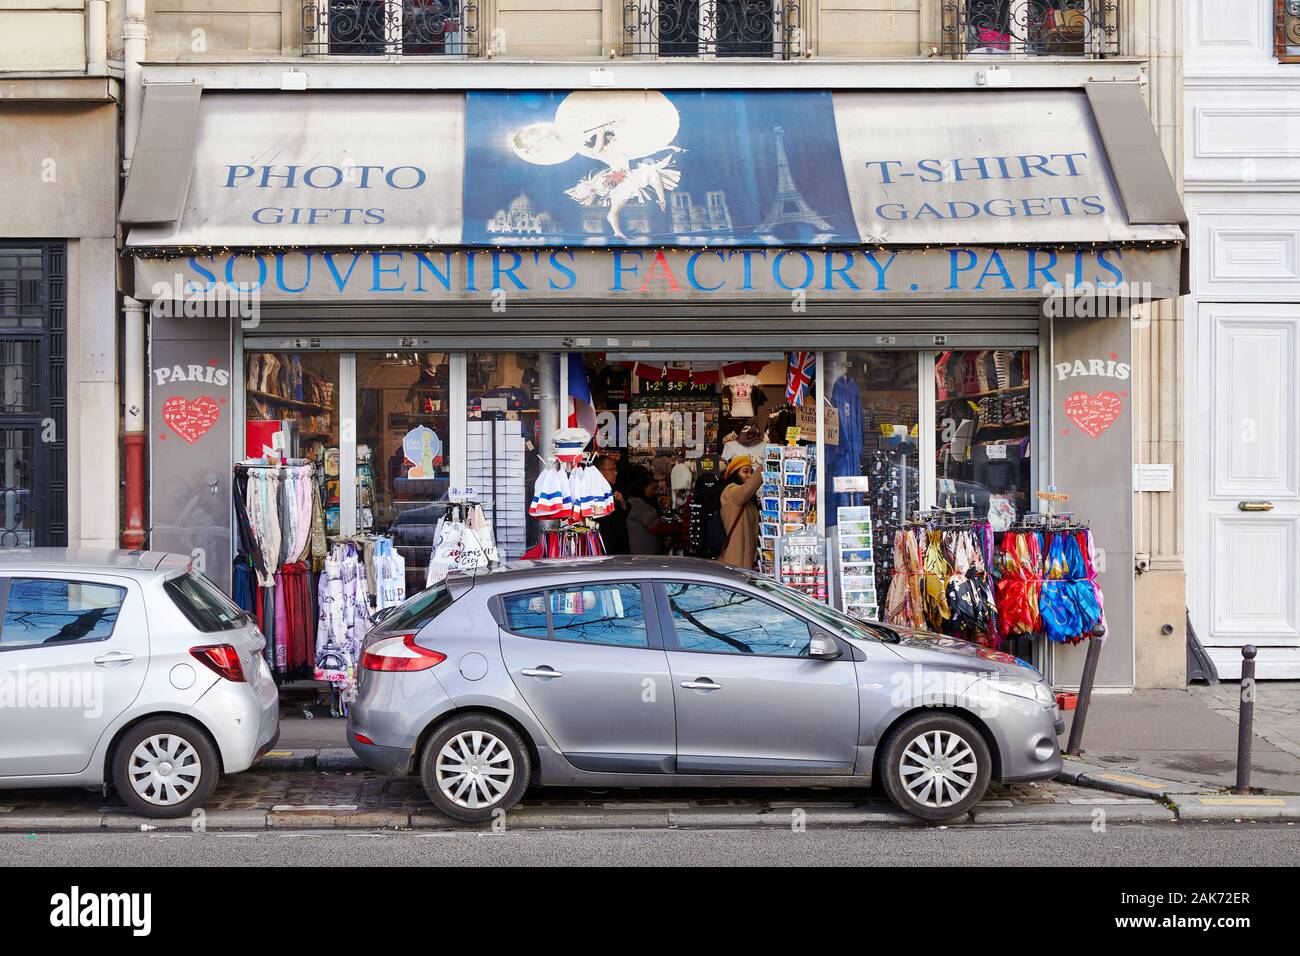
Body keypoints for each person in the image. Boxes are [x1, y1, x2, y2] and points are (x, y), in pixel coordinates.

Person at [717, 454, 762, 570]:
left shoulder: (749, 501)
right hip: (733, 559)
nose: (749, 476)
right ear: (734, 473)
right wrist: (766, 465)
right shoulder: (730, 491)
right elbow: (749, 488)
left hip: (746, 558)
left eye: (751, 472)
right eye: (745, 472)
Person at [621, 465, 678, 555]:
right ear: (642, 486)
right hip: (644, 555)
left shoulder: (635, 500)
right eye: (653, 489)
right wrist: (678, 529)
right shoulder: (636, 502)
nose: (655, 492)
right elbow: (655, 527)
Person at [593, 454, 629, 554]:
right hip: (602, 546)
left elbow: (624, 514)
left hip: (619, 546)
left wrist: (622, 502)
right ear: (600, 472)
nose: (616, 473)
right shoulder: (591, 492)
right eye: (612, 469)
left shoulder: (614, 490)